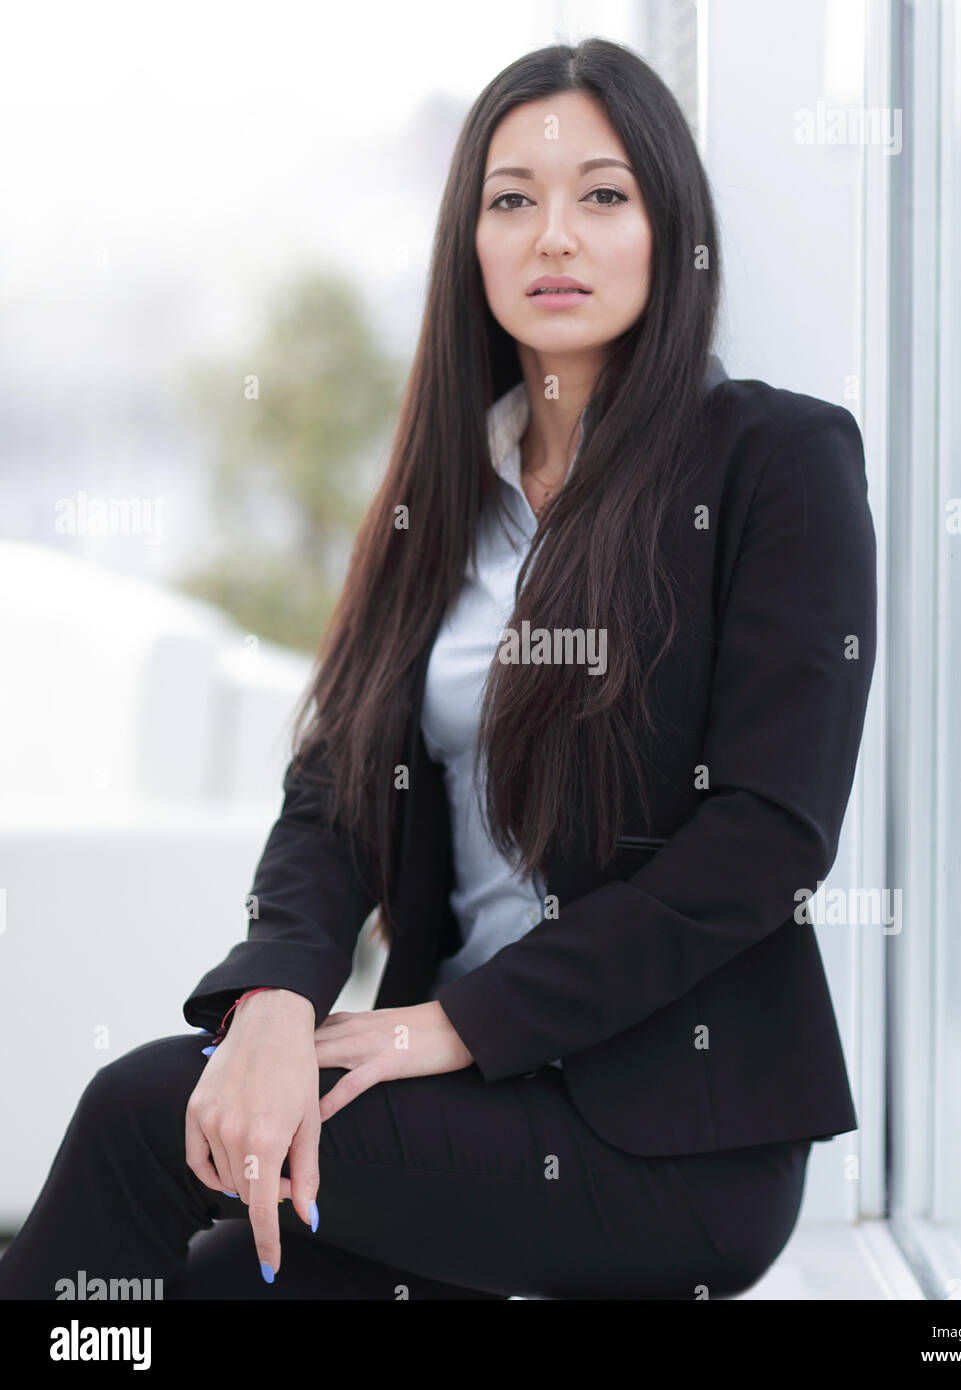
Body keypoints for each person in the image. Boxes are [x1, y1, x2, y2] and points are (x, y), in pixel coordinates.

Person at [0, 36, 877, 1301]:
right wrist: (273, 1005)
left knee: (145, 1110)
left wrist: (438, 1027)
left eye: (602, 195)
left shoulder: (773, 462)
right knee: (199, 1292)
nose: (554, 236)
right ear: (469, 245)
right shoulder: (445, 488)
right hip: (446, 1104)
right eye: (512, 198)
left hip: (670, 1140)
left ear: (668, 230)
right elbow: (334, 789)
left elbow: (766, 837)